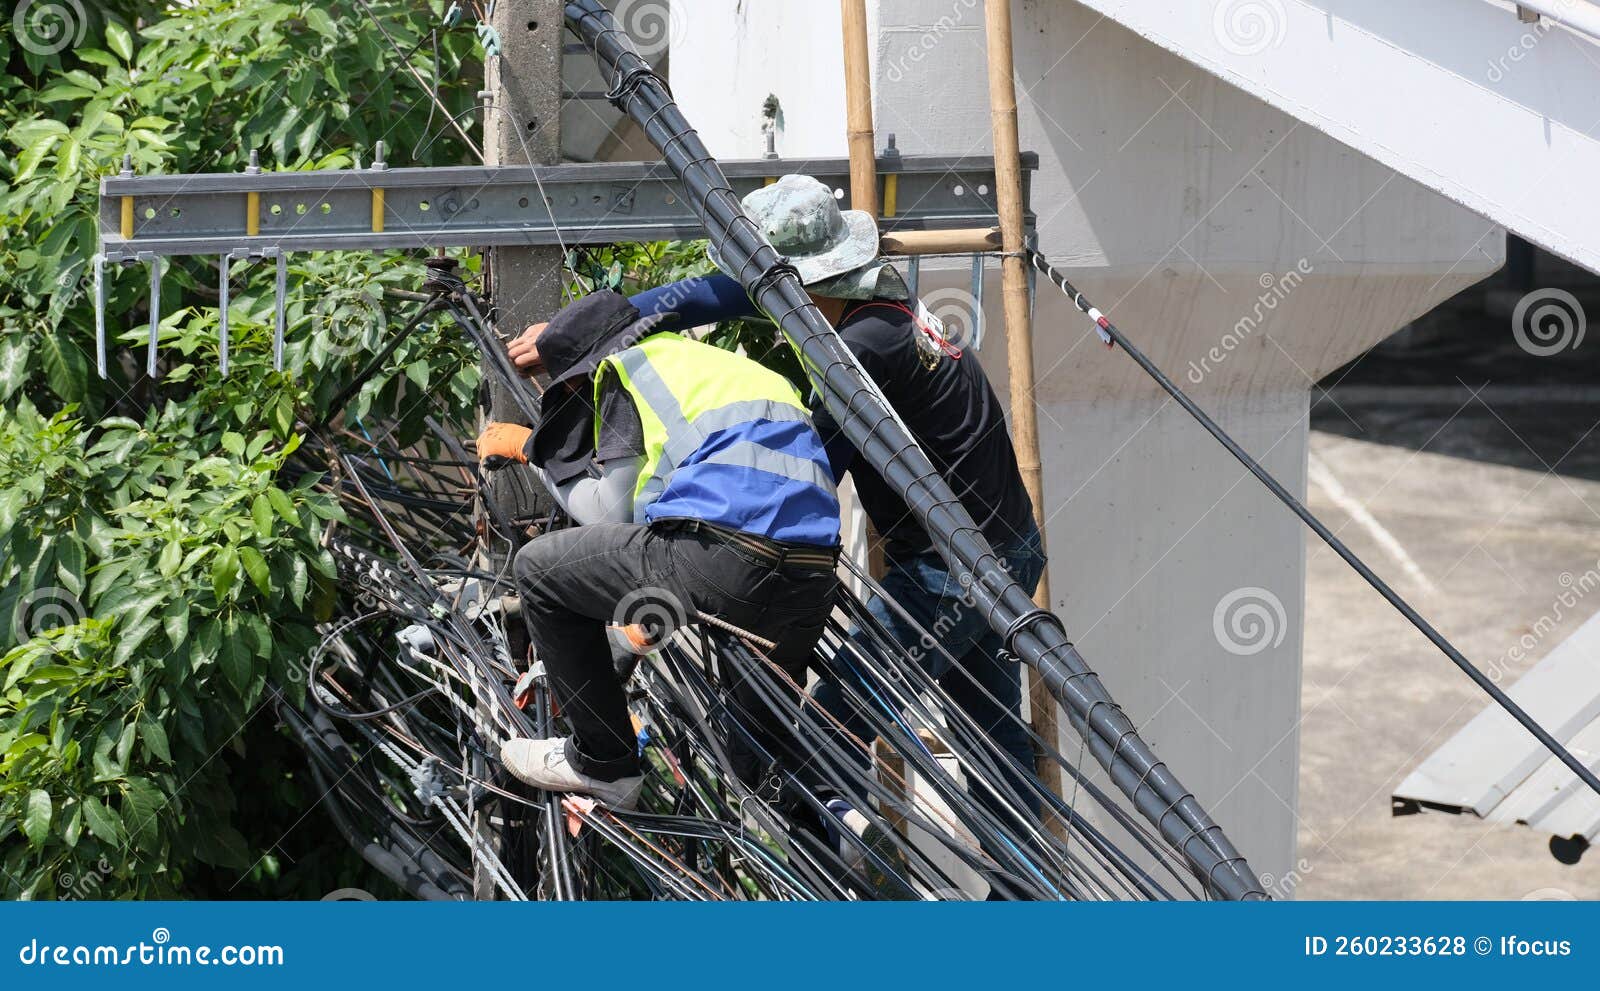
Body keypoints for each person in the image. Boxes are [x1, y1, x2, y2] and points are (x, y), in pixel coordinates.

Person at [507, 174, 1048, 822]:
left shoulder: (858, 353)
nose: (756, 297)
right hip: (1004, 550)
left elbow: (808, 472)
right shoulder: (877, 307)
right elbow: (709, 295)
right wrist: (581, 332)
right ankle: (1022, 899)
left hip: (948, 572)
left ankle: (841, 861)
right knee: (990, 736)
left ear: (801, 283)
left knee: (834, 725)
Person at [479, 290, 841, 809]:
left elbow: (611, 514)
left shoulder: (627, 370)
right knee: (760, 763)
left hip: (720, 559)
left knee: (538, 568)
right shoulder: (736, 370)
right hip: (810, 579)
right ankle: (837, 825)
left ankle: (604, 764)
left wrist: (527, 450)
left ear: (586, 369)